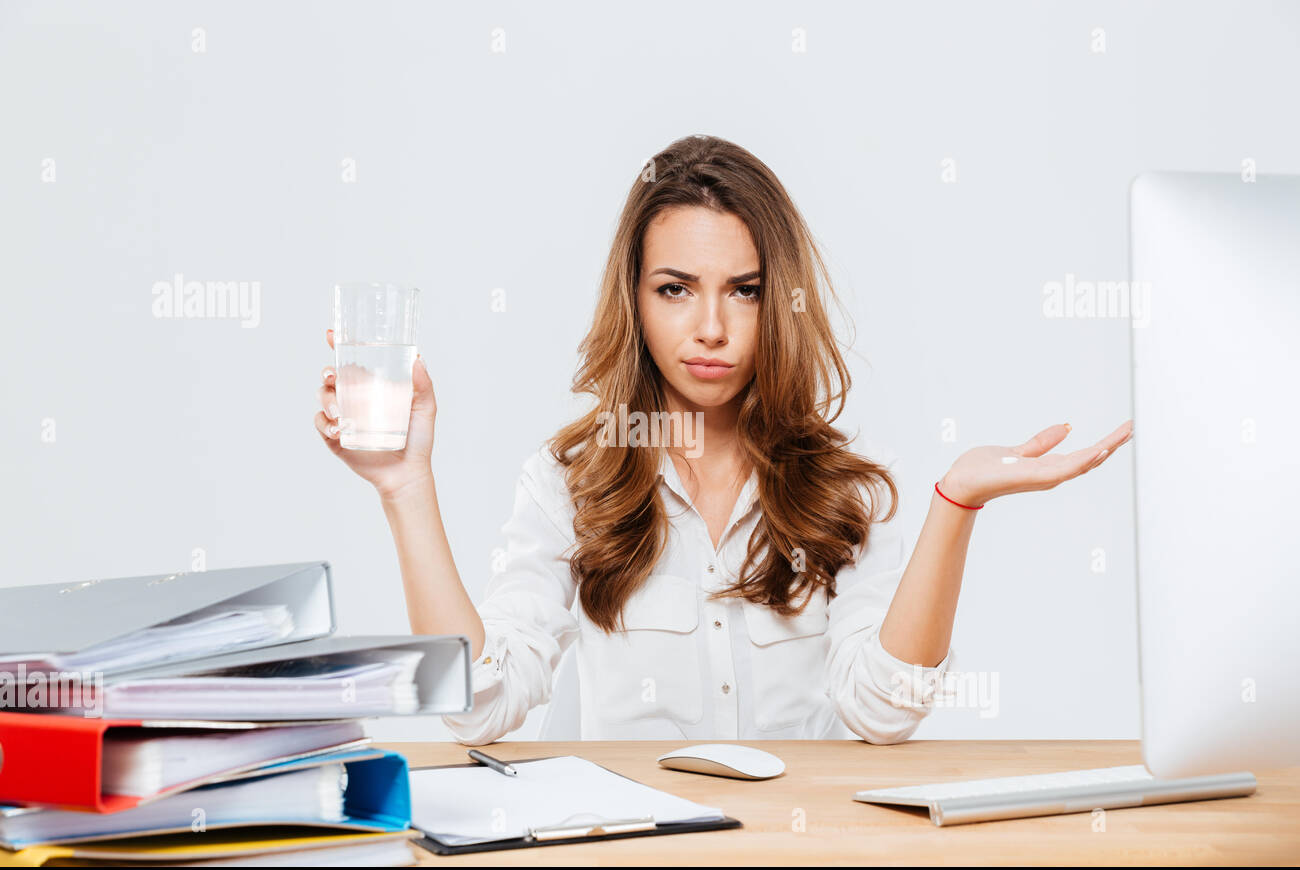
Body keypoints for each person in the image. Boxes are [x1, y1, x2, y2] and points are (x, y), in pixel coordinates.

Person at [313, 134, 1131, 745]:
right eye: (676, 290)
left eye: (743, 292)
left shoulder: (840, 488)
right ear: (633, 299)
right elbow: (479, 706)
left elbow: (881, 712)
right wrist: (405, 487)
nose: (710, 328)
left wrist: (956, 504)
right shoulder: (572, 481)